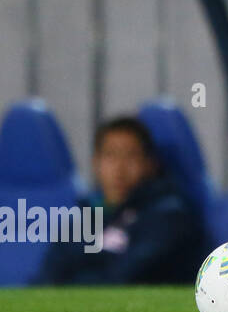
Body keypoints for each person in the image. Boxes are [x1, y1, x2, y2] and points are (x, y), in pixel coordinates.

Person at [37, 117, 207, 284]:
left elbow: (128, 276)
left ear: (150, 164)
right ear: (96, 164)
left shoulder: (169, 216)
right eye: (110, 156)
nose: (119, 168)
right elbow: (46, 279)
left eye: (131, 156)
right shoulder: (84, 218)